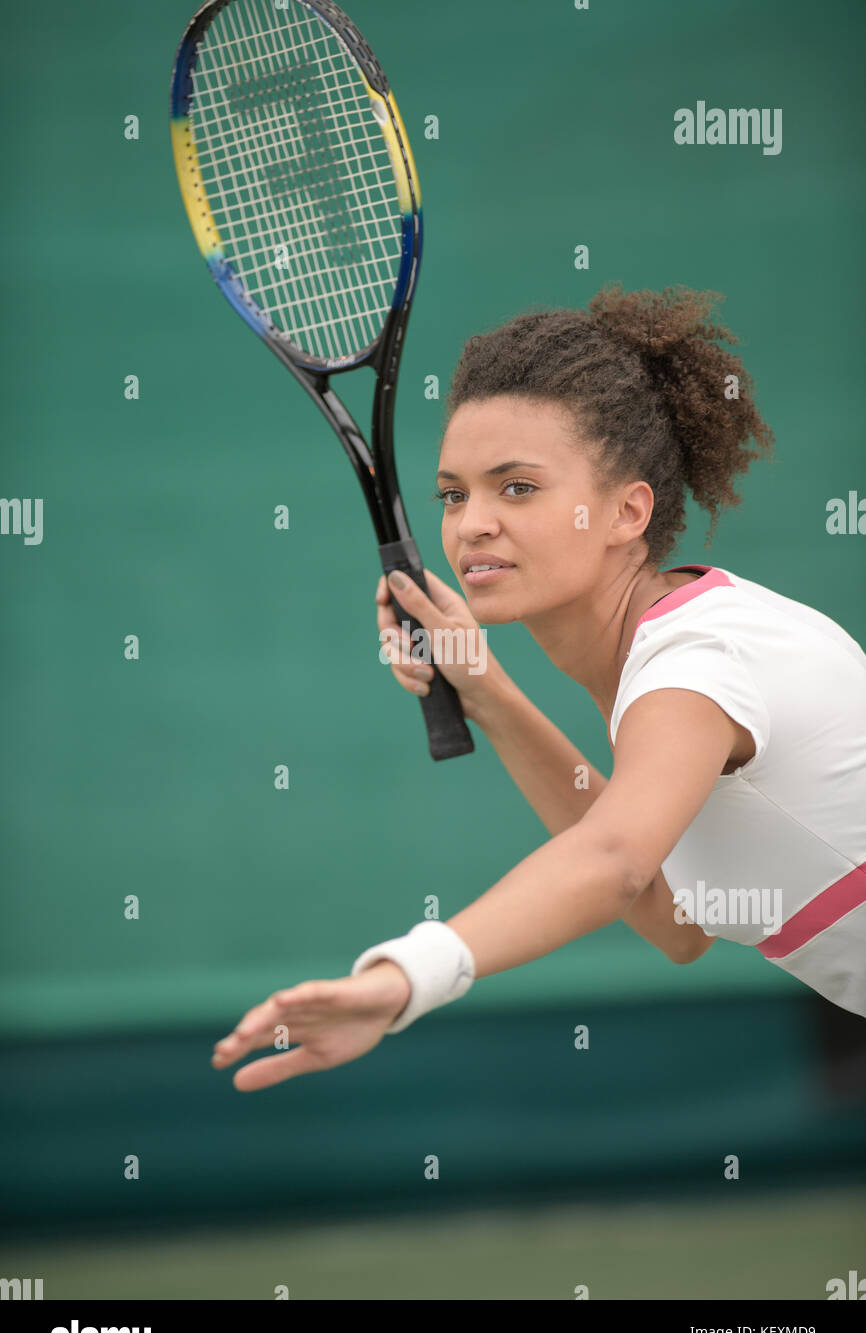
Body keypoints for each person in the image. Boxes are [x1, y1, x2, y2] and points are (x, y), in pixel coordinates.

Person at [212, 285, 866, 1092]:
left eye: (516, 487)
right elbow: (676, 921)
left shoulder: (700, 661)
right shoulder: (663, 652)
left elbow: (616, 860)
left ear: (626, 512)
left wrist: (404, 978)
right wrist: (485, 691)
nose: (471, 524)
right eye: (454, 494)